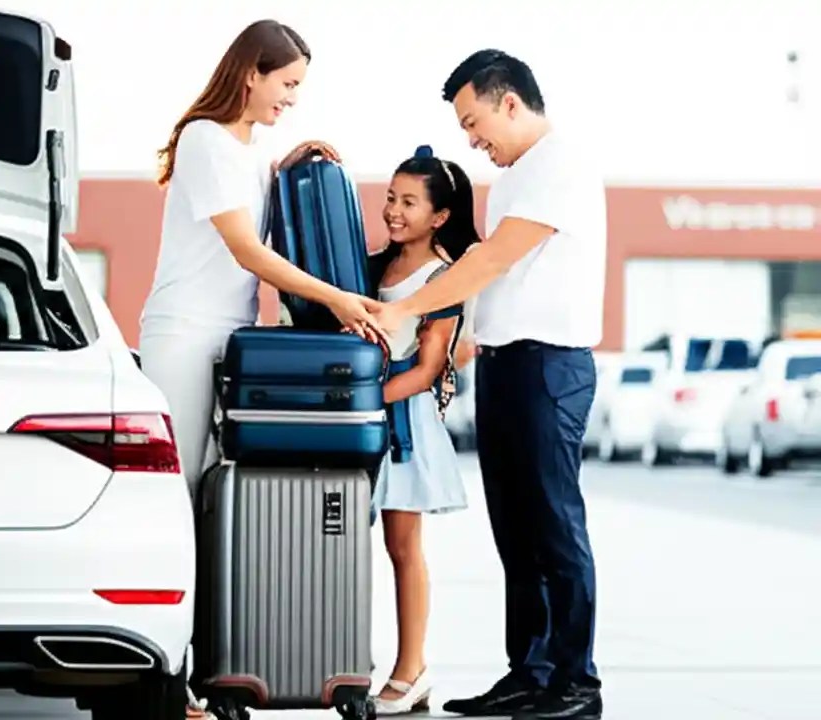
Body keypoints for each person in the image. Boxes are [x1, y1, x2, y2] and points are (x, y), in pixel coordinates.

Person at [138, 19, 383, 719]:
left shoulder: (252, 149)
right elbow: (247, 249)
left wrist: (295, 162)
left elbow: (266, 213)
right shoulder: (205, 139)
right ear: (252, 73)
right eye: (288, 83)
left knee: (222, 504)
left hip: (234, 336)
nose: (293, 98)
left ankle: (214, 666)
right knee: (180, 502)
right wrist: (334, 295)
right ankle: (168, 674)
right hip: (185, 334)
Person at [370, 50, 607, 720]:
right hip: (506, 365)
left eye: (475, 123)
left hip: (548, 367)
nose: (473, 140)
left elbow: (495, 259)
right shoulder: (515, 178)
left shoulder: (558, 164)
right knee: (516, 533)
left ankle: (574, 683)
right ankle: (528, 672)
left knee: (554, 528)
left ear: (509, 102)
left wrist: (403, 309)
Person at [364, 148, 478, 715]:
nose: (393, 210)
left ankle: (412, 671)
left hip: (401, 419)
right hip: (363, 416)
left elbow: (429, 369)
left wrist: (363, 398)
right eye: (390, 197)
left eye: (409, 202)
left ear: (439, 216)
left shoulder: (445, 277)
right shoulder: (374, 266)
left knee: (402, 547)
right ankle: (347, 659)